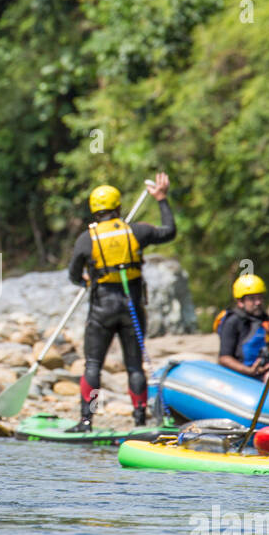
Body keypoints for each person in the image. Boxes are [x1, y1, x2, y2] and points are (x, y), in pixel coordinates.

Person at [66, 173, 176, 431]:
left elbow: (73, 275)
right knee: (134, 366)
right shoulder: (136, 231)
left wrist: (87, 281)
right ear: (118, 207)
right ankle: (139, 420)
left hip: (102, 309)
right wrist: (161, 199)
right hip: (132, 308)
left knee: (93, 365)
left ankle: (86, 420)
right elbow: (170, 231)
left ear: (94, 211)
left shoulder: (86, 239)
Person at [216, 275, 269, 388]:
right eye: (252, 299)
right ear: (240, 301)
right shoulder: (233, 322)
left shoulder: (268, 320)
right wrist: (249, 371)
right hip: (248, 378)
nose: (258, 302)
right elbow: (224, 358)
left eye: (260, 297)